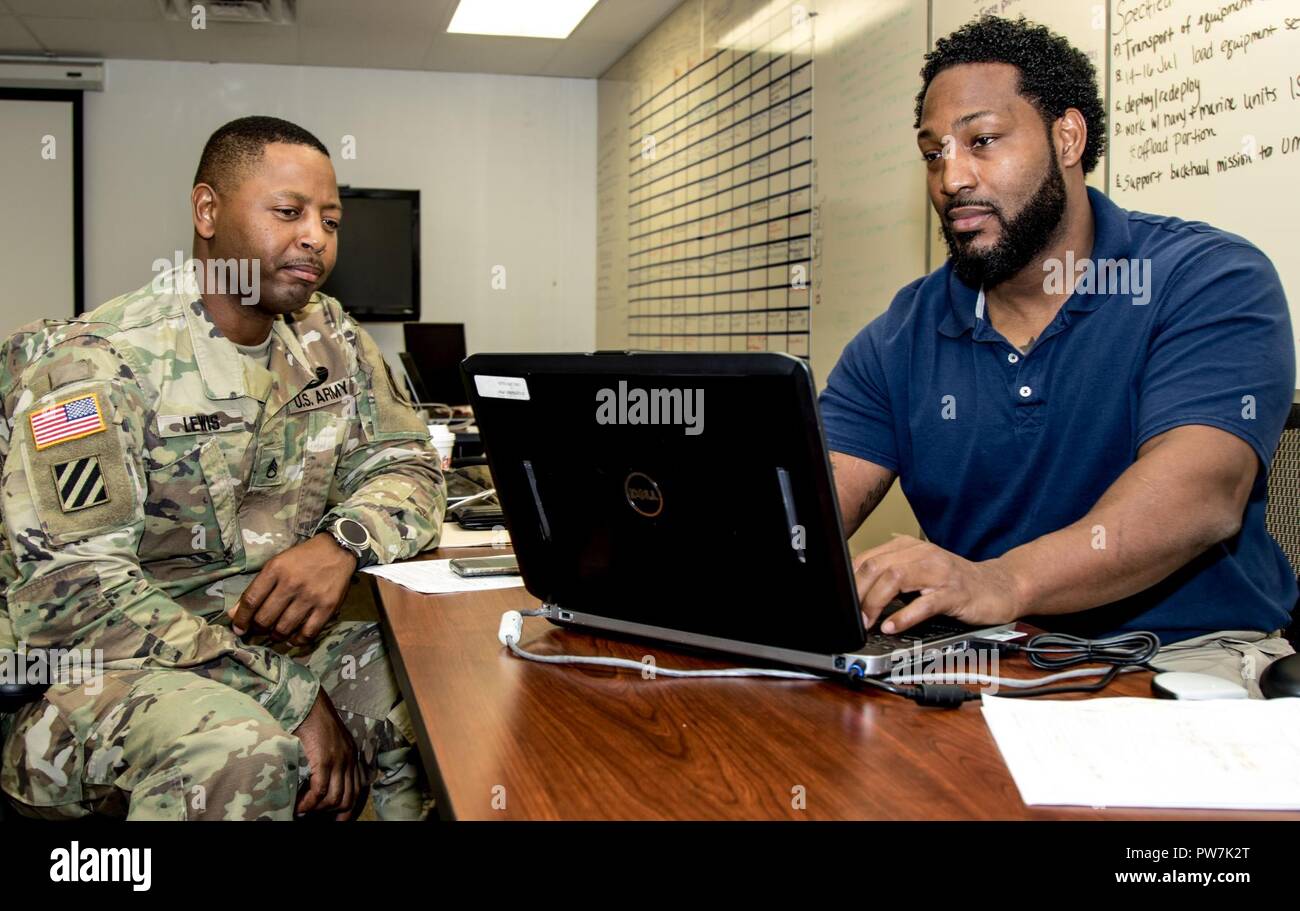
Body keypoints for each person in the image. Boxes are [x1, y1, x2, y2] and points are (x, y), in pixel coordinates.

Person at [819, 16, 1296, 696]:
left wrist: (999, 580)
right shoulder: (900, 334)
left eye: (982, 140)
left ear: (1066, 137)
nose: (952, 176)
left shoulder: (1209, 280)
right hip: (982, 656)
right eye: (933, 153)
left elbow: (1200, 497)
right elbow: (804, 513)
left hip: (1185, 659)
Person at [0, 116, 446, 818]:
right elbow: (76, 599)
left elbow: (409, 463)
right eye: (289, 212)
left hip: (279, 641)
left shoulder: (330, 336)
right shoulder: (95, 364)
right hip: (108, 668)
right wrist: (287, 692)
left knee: (437, 693)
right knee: (243, 750)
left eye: (330, 220)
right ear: (208, 211)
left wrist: (342, 543)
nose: (316, 238)